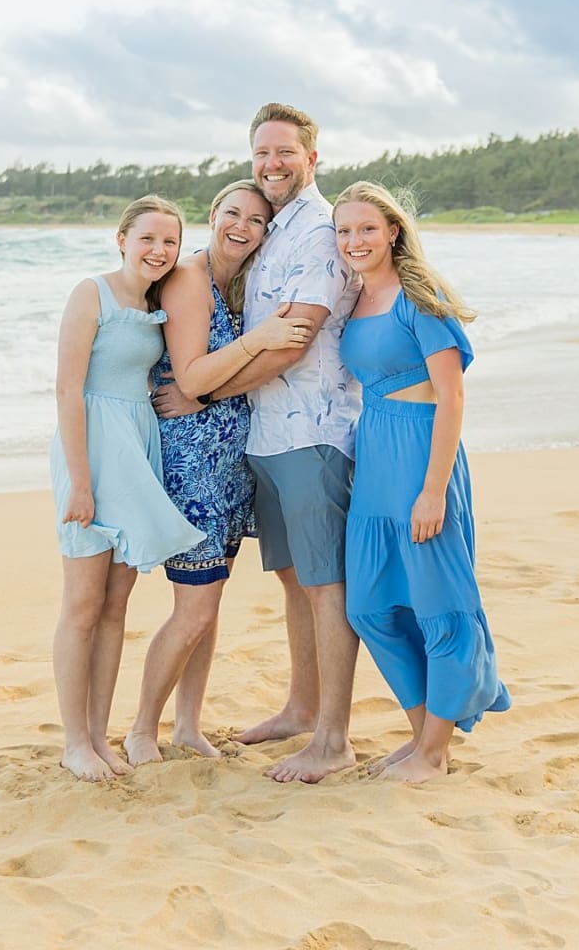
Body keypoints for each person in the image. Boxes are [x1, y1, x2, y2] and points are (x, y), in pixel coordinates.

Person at [157, 103, 361, 783]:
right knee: (293, 580)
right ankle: (302, 707)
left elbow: (292, 342)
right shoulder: (271, 230)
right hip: (266, 436)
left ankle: (332, 737)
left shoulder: (320, 232)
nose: (271, 164)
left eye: (284, 152)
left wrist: (203, 391)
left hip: (312, 432)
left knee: (325, 586)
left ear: (311, 157)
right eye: (261, 154)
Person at [124, 180, 315, 765]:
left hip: (232, 465)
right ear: (213, 215)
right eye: (233, 213)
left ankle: (187, 726)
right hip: (194, 466)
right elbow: (192, 380)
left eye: (257, 220)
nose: (243, 226)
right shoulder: (188, 279)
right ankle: (140, 730)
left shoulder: (242, 285)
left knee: (208, 602)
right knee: (195, 609)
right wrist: (259, 339)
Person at [333, 181, 511, 785]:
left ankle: (434, 751)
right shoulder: (354, 300)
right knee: (371, 607)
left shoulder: (418, 296)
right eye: (344, 230)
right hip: (375, 459)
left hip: (421, 455)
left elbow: (452, 396)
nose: (354, 241)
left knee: (441, 607)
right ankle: (420, 738)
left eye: (366, 228)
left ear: (393, 232)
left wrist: (433, 490)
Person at [50, 196, 205, 783]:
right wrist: (81, 482)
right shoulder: (91, 293)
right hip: (90, 447)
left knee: (115, 605)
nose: (159, 251)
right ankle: (73, 741)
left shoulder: (158, 302)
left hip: (137, 447)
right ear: (122, 239)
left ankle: (97, 735)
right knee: (83, 603)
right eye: (148, 239)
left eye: (170, 241)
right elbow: (67, 391)